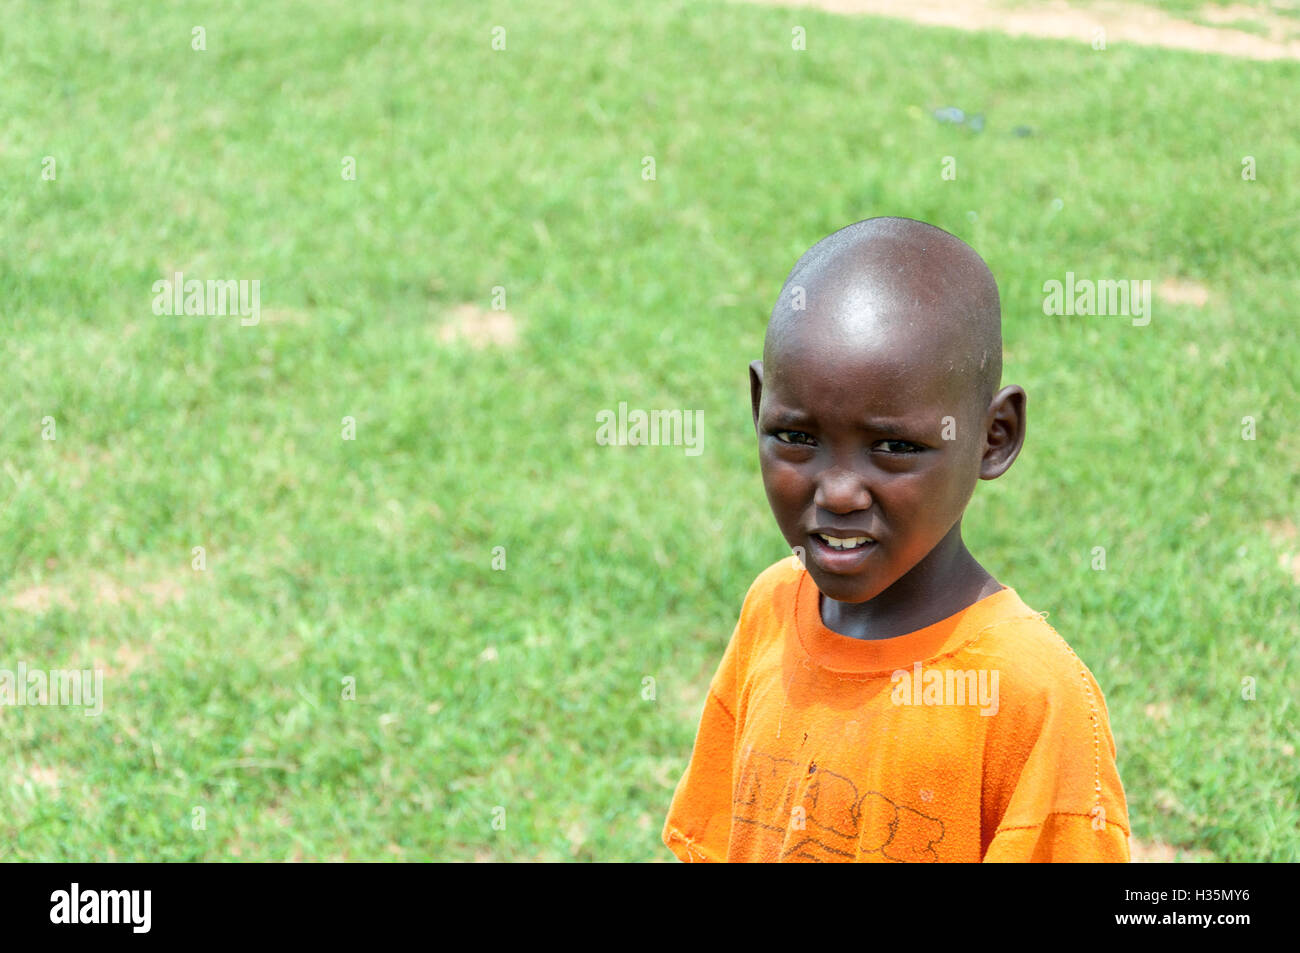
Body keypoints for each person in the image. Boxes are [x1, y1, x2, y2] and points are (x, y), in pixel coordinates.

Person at [662, 217, 1129, 862]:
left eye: (895, 447)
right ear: (758, 407)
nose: (839, 493)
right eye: (797, 437)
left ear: (994, 438)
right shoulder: (772, 608)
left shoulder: (1033, 697)